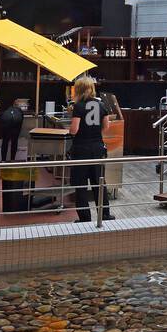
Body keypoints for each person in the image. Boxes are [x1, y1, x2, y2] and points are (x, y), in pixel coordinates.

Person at [68, 76, 114, 223]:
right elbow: (106, 127)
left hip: (81, 149)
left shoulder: (79, 106)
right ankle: (105, 214)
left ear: (79, 89)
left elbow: (74, 130)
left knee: (80, 185)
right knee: (99, 183)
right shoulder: (101, 105)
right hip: (97, 148)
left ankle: (85, 218)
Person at [0, 97, 24, 161]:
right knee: (14, 142)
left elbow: (1, 121)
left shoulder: (4, 110)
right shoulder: (19, 111)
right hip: (15, 128)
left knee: (5, 142)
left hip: (6, 128)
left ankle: (3, 160)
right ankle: (12, 159)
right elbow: (21, 123)